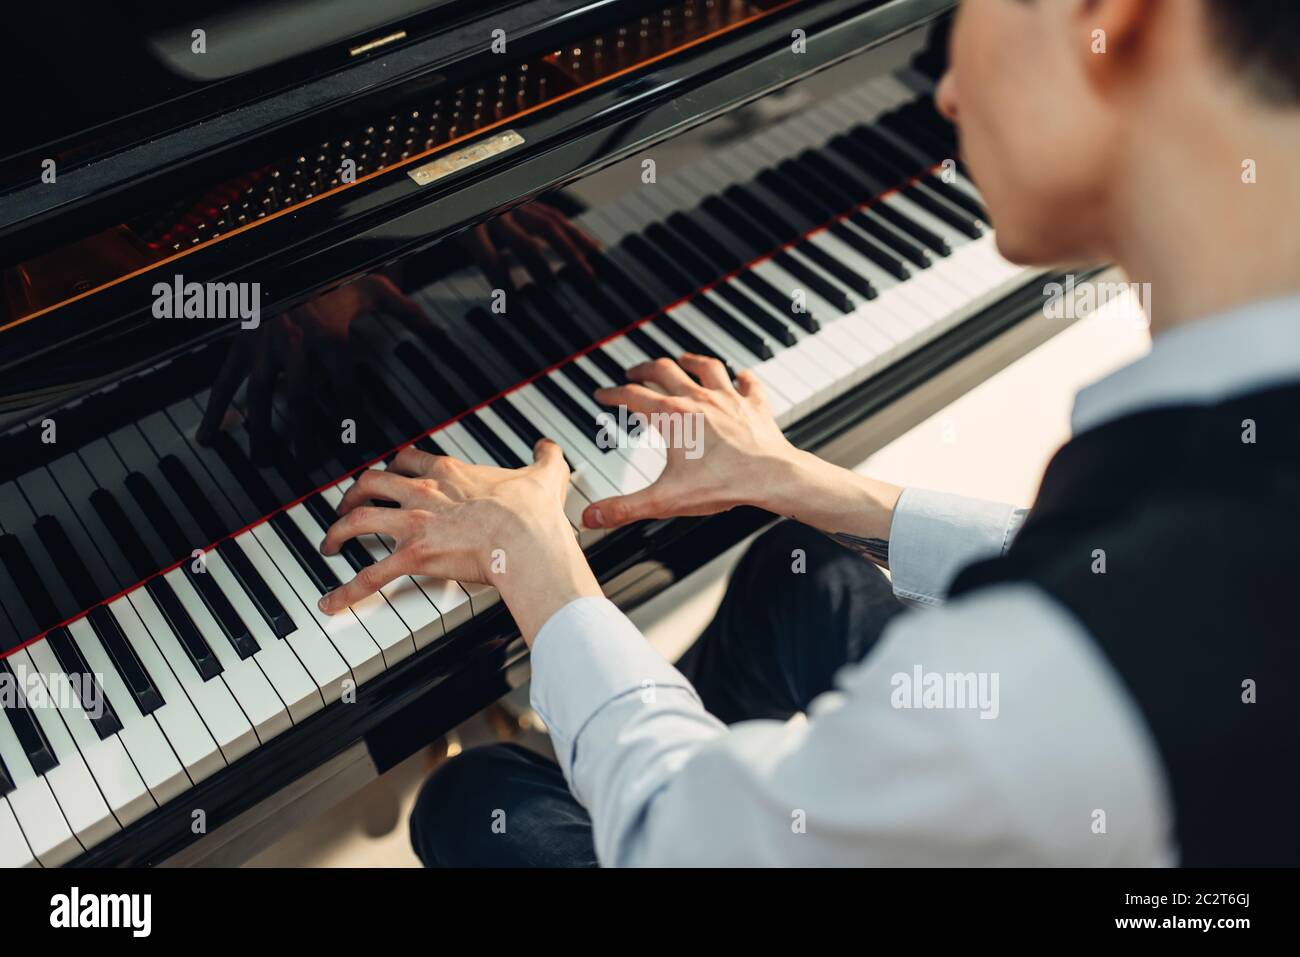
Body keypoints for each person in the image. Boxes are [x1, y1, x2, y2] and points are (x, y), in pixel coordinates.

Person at [319, 0, 1300, 866]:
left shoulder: (1088, 672)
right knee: (805, 571)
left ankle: (562, 743)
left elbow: (677, 838)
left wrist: (532, 560)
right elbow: (1095, 571)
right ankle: (595, 724)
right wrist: (805, 482)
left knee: (477, 798)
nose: (948, 86)